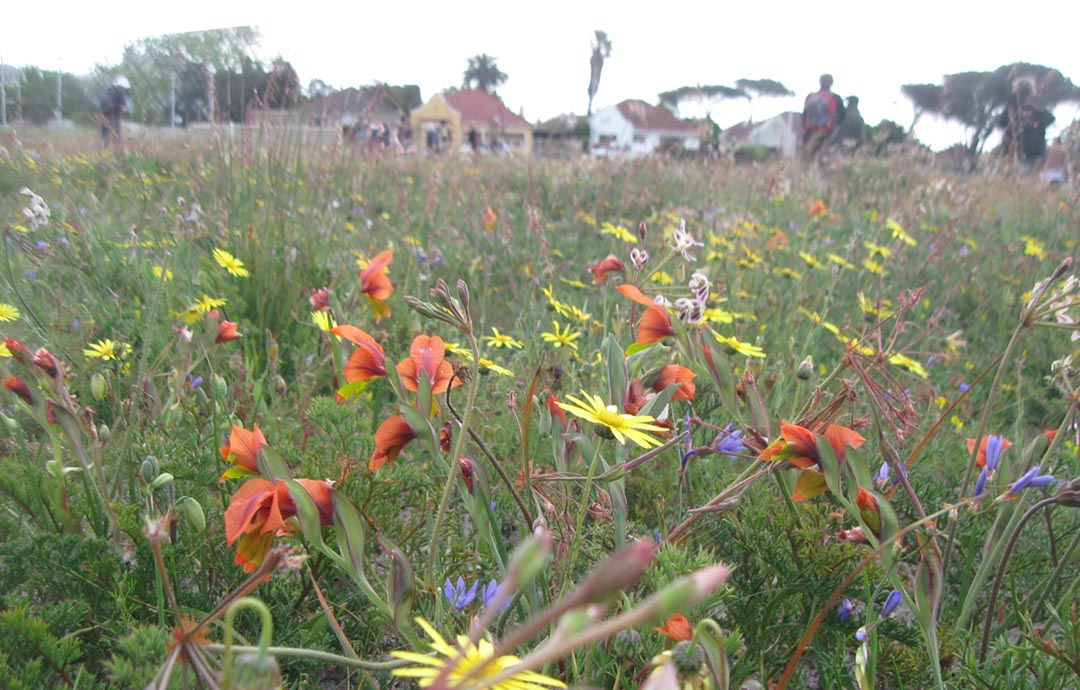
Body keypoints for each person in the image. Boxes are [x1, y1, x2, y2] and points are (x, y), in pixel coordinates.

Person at [997, 76, 1055, 165]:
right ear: (1031, 88)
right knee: (1030, 175)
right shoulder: (1037, 103)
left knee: (1013, 173)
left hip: (1014, 145)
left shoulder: (1012, 103)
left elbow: (1001, 122)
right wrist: (1037, 125)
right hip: (1036, 147)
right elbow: (1051, 118)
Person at [802, 74, 845, 160]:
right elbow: (842, 117)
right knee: (823, 160)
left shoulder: (810, 96)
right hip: (827, 135)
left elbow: (804, 116)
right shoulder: (836, 98)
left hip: (809, 133)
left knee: (808, 159)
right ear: (831, 83)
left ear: (820, 82)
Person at [100, 76, 131, 150]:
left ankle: (105, 146)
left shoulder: (107, 91)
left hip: (106, 114)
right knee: (116, 132)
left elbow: (102, 101)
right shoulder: (120, 93)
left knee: (106, 131)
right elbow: (123, 106)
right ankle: (115, 147)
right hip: (114, 115)